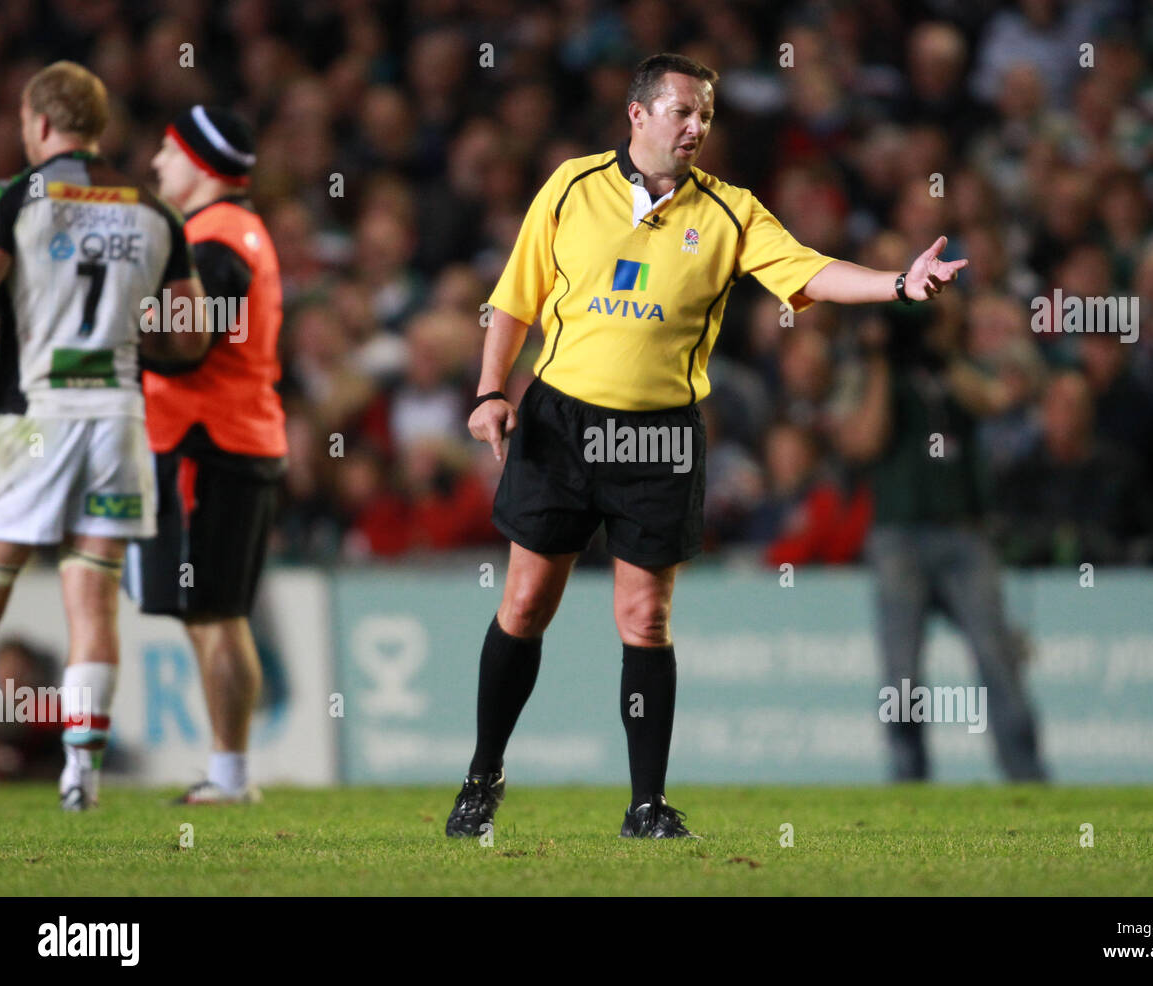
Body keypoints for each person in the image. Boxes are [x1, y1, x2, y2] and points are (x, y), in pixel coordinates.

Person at [448, 52, 967, 839]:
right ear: (638, 113)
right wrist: (490, 391)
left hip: (661, 434)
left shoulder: (730, 212)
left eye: (706, 117)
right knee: (524, 603)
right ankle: (482, 777)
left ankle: (646, 805)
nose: (696, 128)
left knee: (646, 617)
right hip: (561, 423)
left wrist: (898, 284)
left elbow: (809, 271)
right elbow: (514, 300)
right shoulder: (569, 187)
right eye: (683, 111)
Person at [0, 61, 207, 810]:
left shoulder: (12, 198)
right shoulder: (154, 209)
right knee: (92, 602)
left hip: (32, 420)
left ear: (41, 124)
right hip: (117, 418)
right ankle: (81, 770)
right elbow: (190, 336)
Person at [124, 106, 287, 804]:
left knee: (213, 613)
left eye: (167, 151)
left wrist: (123, 329)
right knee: (215, 613)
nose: (158, 165)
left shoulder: (215, 242)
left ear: (198, 161)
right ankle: (229, 773)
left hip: (204, 444)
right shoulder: (234, 233)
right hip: (232, 440)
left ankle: (229, 776)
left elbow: (189, 347)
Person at [837, 310, 1046, 782]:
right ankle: (909, 778)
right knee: (902, 671)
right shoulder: (871, 372)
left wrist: (941, 358)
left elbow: (996, 401)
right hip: (898, 536)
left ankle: (1027, 774)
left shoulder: (955, 370)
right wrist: (883, 362)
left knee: (997, 655)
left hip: (964, 532)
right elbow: (864, 441)